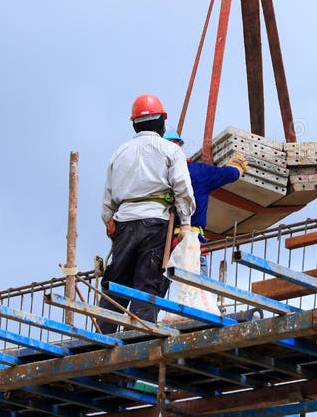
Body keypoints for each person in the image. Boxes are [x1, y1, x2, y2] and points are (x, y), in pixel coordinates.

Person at [100, 94, 195, 333]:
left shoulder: (120, 153)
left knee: (117, 281)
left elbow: (108, 195)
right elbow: (182, 188)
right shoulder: (170, 151)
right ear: (162, 122)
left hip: (124, 224)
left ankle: (102, 335)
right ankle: (141, 335)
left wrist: (109, 219)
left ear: (134, 123)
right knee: (148, 281)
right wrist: (185, 223)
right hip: (156, 222)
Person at [164, 130, 247, 275]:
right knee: (198, 290)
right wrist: (237, 168)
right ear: (178, 147)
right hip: (190, 241)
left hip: (159, 243)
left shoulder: (152, 175)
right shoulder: (197, 172)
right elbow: (228, 174)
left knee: (155, 289)